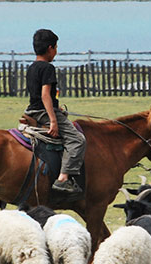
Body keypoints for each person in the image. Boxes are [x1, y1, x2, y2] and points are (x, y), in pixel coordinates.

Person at [24, 29, 86, 194]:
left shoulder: (32, 67)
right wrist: (53, 120)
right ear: (50, 48)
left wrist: (56, 106)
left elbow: (36, 94)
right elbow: (45, 95)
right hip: (44, 112)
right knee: (78, 140)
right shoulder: (48, 68)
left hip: (31, 110)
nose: (56, 51)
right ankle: (63, 179)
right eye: (56, 47)